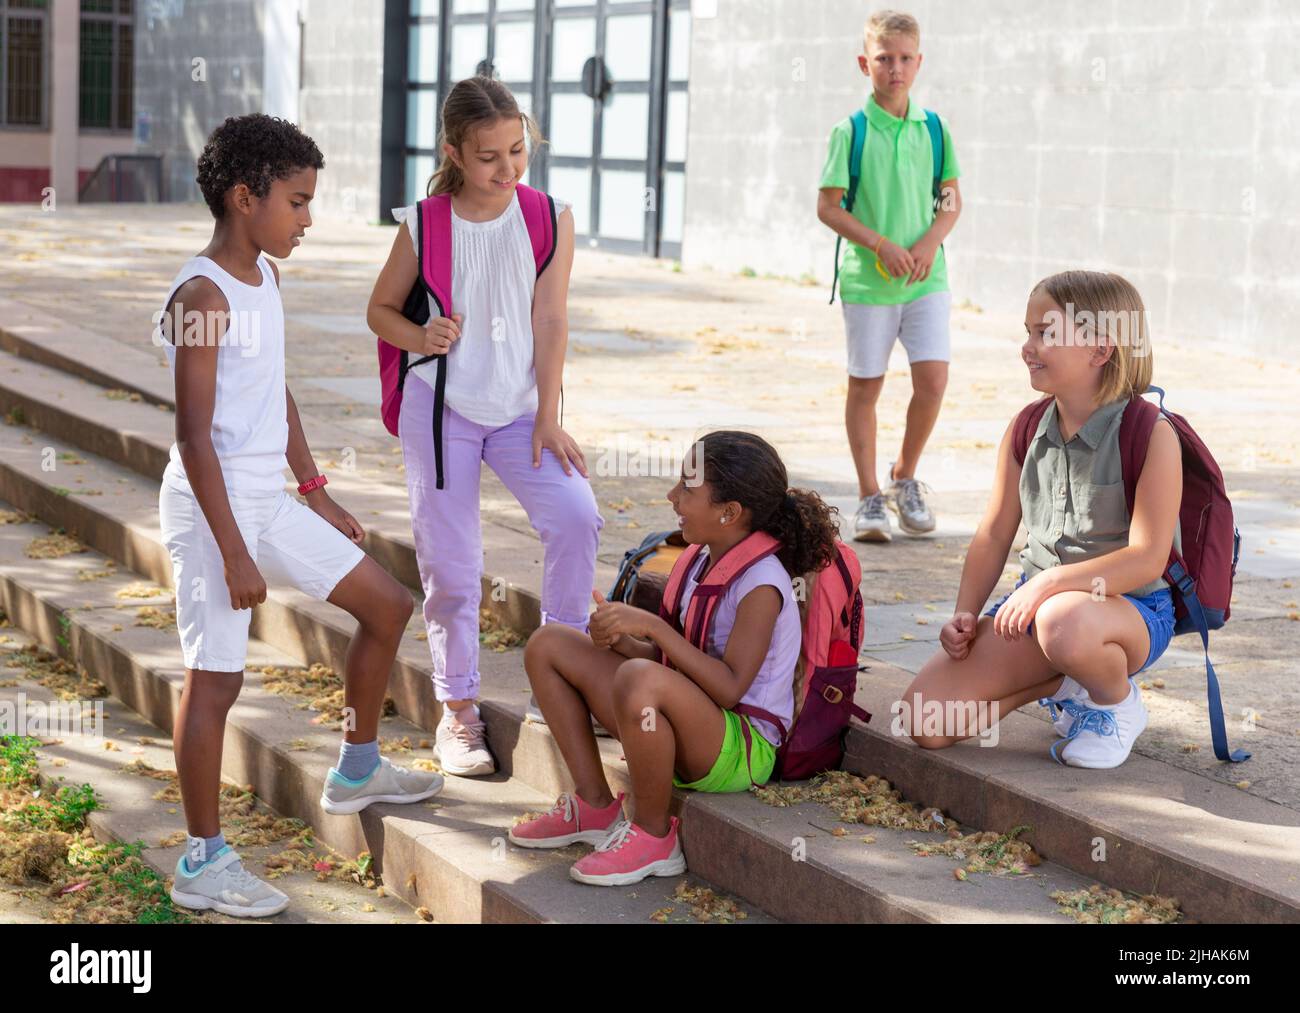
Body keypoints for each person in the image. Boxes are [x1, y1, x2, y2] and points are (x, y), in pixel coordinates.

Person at [158, 114, 441, 918]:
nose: (308, 218)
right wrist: (235, 551)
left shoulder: (265, 280)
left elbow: (272, 394)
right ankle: (202, 861)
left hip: (268, 501)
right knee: (215, 680)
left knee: (387, 605)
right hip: (210, 507)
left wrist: (314, 487)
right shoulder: (200, 295)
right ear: (246, 198)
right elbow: (192, 434)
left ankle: (357, 764)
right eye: (298, 200)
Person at [367, 77, 603, 778]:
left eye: (517, 151)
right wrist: (421, 332)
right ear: (454, 154)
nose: (507, 170)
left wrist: (551, 415)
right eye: (489, 157)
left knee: (575, 516)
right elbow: (379, 311)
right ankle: (459, 713)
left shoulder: (549, 216)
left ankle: (560, 683)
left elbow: (552, 318)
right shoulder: (425, 222)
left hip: (521, 410)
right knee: (452, 566)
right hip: (439, 408)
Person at [512, 431, 840, 886]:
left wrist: (653, 631)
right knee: (550, 644)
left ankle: (652, 834)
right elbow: (667, 662)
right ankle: (593, 806)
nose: (672, 497)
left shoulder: (762, 584)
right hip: (691, 717)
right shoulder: (698, 559)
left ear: (729, 512)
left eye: (687, 489)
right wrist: (625, 639)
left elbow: (727, 688)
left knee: (640, 679)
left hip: (740, 749)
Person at [902, 271, 1181, 769]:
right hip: (1041, 613)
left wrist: (1050, 584)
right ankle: (1065, 680)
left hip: (1128, 614)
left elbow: (1146, 558)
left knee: (1063, 621)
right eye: (1028, 331)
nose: (1027, 347)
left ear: (1100, 349)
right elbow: (993, 533)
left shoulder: (1151, 433)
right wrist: (965, 614)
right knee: (923, 721)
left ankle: (1116, 705)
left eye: (1045, 334)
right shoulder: (1027, 426)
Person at [816, 9, 962, 542]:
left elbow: (949, 202)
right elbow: (828, 207)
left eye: (904, 59)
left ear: (918, 62)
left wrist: (927, 244)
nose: (895, 69)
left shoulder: (936, 129)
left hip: (927, 278)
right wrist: (880, 244)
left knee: (933, 379)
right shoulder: (849, 132)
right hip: (869, 282)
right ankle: (868, 496)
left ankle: (904, 475)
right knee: (867, 386)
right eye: (884, 59)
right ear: (865, 63)